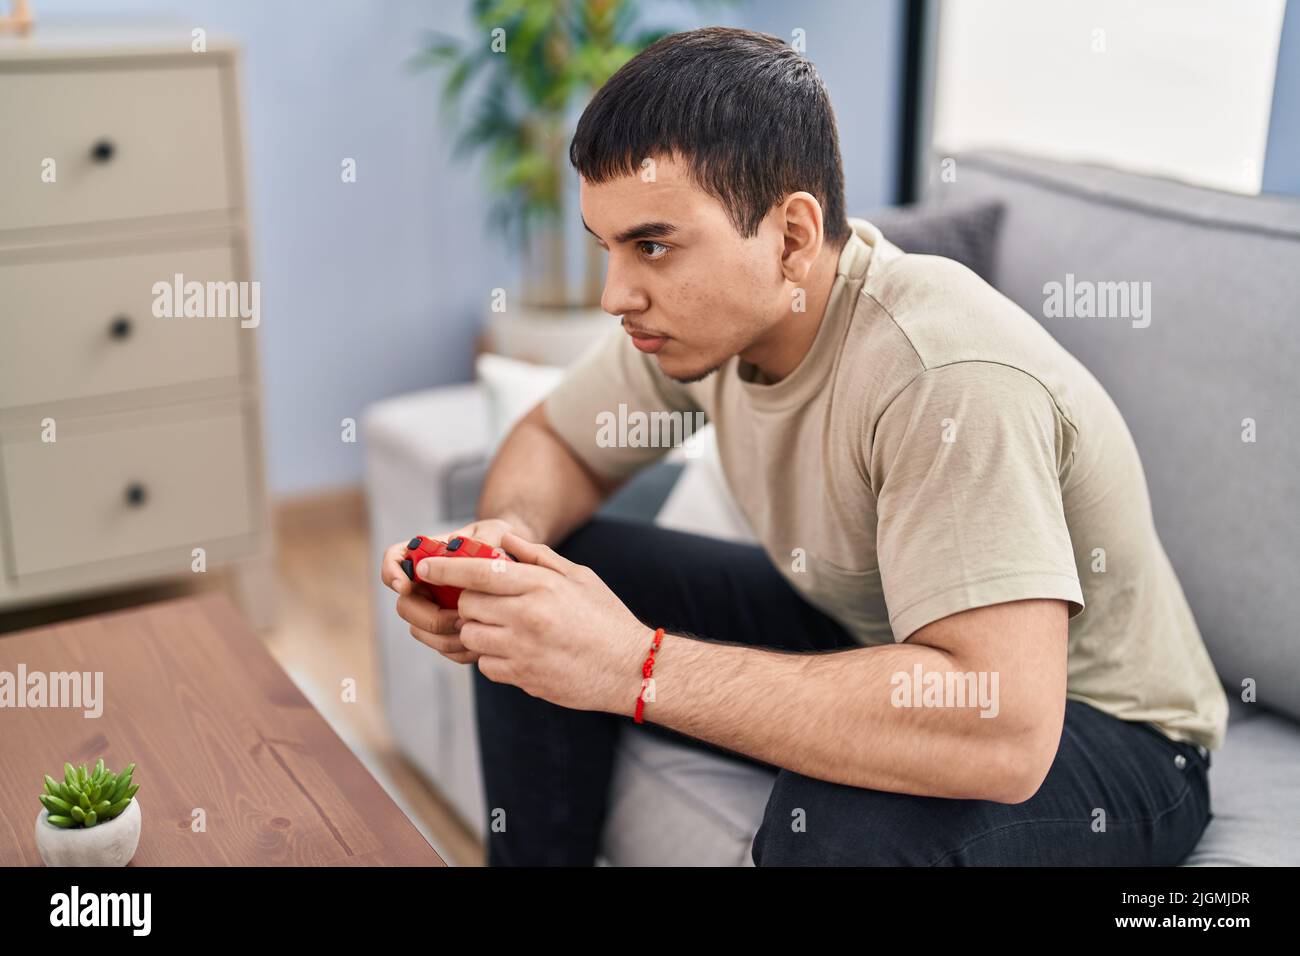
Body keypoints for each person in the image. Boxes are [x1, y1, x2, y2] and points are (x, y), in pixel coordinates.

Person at [381, 27, 1227, 866]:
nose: (615, 294)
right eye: (608, 247)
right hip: (881, 631)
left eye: (652, 245)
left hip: (1109, 731)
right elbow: (560, 443)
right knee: (543, 582)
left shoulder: (942, 373)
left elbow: (1003, 725)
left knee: (837, 832)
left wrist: (632, 666)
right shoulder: (698, 326)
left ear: (790, 237)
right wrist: (502, 544)